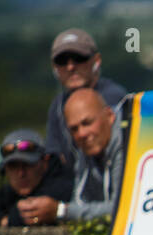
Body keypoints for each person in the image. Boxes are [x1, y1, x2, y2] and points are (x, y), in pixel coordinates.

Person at [17, 88, 125, 225]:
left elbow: (121, 209)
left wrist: (61, 211)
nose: (82, 134)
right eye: (74, 129)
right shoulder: (87, 147)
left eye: (87, 123)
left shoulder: (125, 142)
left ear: (109, 116)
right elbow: (79, 200)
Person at [0, 130, 74, 228]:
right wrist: (5, 221)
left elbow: (26, 214)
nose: (20, 173)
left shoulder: (65, 186)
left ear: (45, 162)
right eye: (13, 166)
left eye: (28, 165)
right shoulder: (10, 192)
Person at [45, 28, 127, 168]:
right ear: (54, 67)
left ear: (97, 61)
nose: (70, 67)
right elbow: (54, 157)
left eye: (79, 58)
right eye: (62, 61)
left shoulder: (115, 97)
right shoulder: (57, 105)